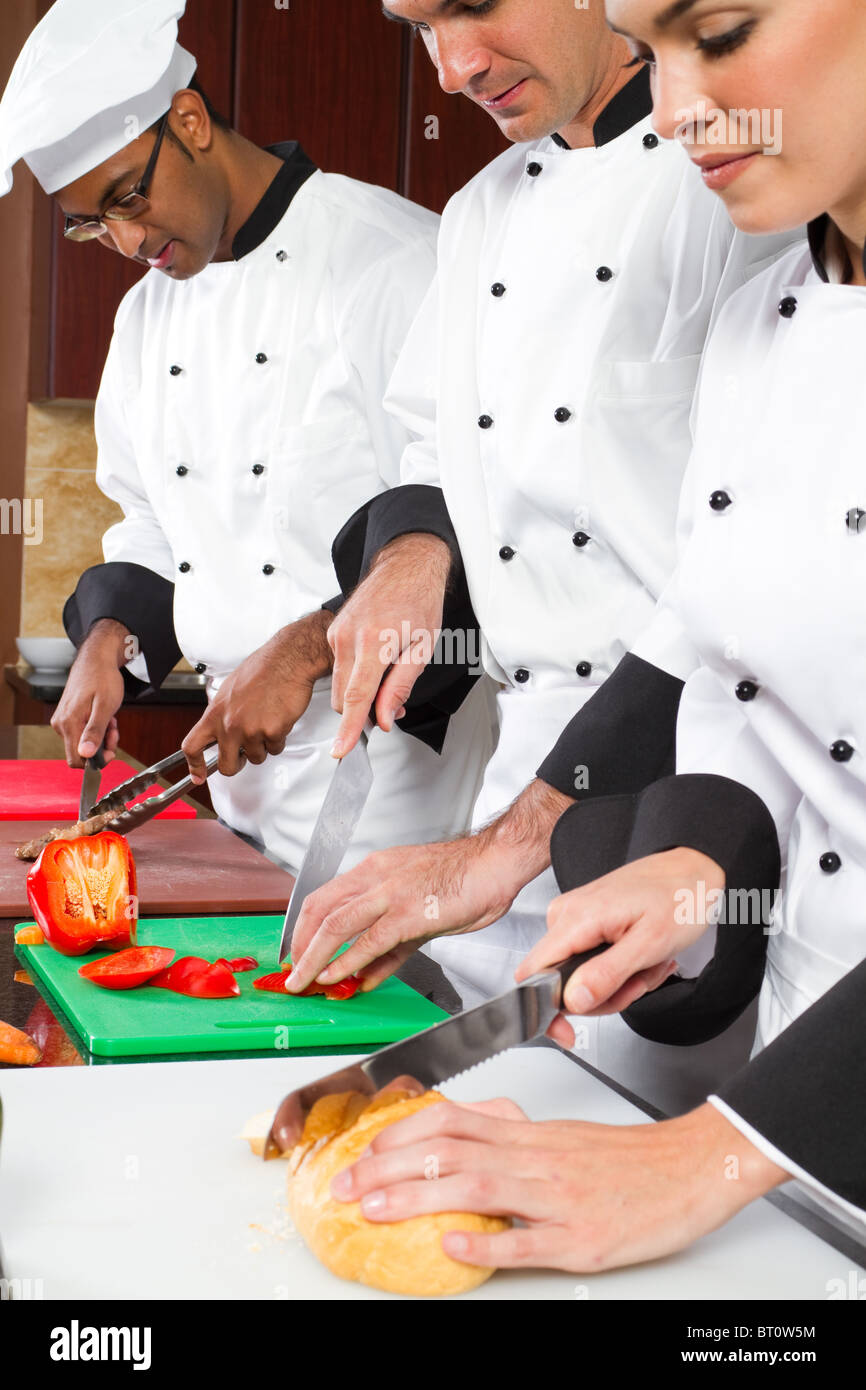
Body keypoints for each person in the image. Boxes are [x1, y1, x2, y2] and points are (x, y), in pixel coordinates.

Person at [282, 0, 866, 1269]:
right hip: (807, 1076)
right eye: (652, 46)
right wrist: (698, 863)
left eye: (718, 33)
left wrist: (709, 1152)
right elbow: (730, 664)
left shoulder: (726, 234)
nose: (668, 112)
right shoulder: (771, 318)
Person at [1, 0, 494, 876]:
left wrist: (304, 652)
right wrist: (110, 636)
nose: (125, 239)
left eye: (126, 197)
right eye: (90, 222)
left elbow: (473, 527)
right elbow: (152, 522)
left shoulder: (394, 260)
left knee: (394, 1008)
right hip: (233, 784)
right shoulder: (146, 316)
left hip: (389, 785)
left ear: (189, 121)